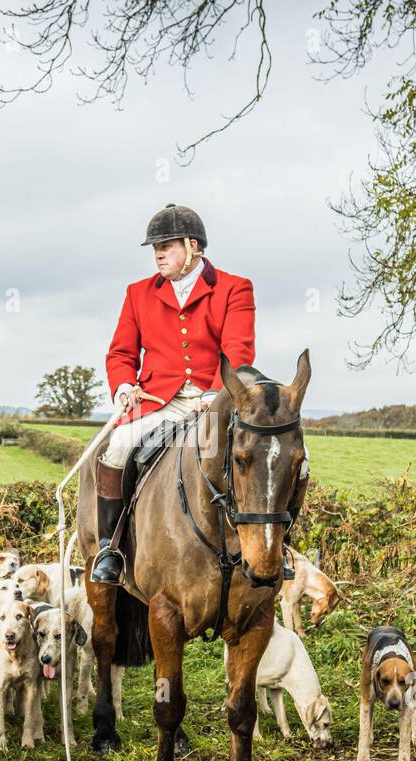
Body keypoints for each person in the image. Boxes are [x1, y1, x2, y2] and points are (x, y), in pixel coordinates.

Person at [90, 203, 256, 585]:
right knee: (118, 447)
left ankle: (271, 547)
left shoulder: (235, 288)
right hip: (157, 401)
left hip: (214, 401)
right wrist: (123, 387)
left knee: (258, 456)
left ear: (193, 247)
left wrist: (215, 395)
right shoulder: (138, 294)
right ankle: (110, 548)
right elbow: (121, 353)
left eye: (166, 245)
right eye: (154, 247)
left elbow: (238, 351)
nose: (158, 253)